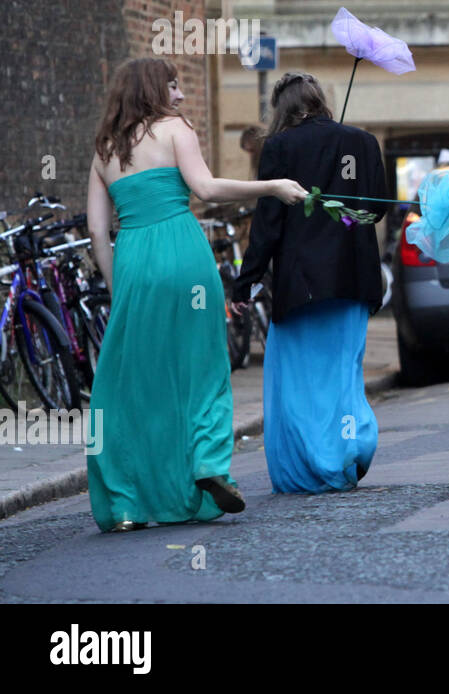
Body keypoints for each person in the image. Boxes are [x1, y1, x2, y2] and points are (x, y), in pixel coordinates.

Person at [85, 57, 307, 532]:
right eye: (173, 85)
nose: (181, 95)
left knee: (130, 384)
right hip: (184, 255)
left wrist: (117, 283)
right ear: (152, 89)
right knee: (203, 367)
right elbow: (205, 188)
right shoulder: (174, 129)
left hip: (134, 260)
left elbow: (97, 231)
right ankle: (207, 464)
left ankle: (125, 503)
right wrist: (271, 186)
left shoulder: (104, 147)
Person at [231, 71, 387, 493]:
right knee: (342, 373)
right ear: (320, 100)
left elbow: (268, 224)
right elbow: (376, 208)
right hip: (354, 279)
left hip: (302, 284)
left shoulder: (278, 147)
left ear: (281, 109)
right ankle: (354, 445)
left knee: (299, 381)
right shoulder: (363, 142)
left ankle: (319, 462)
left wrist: (245, 283)